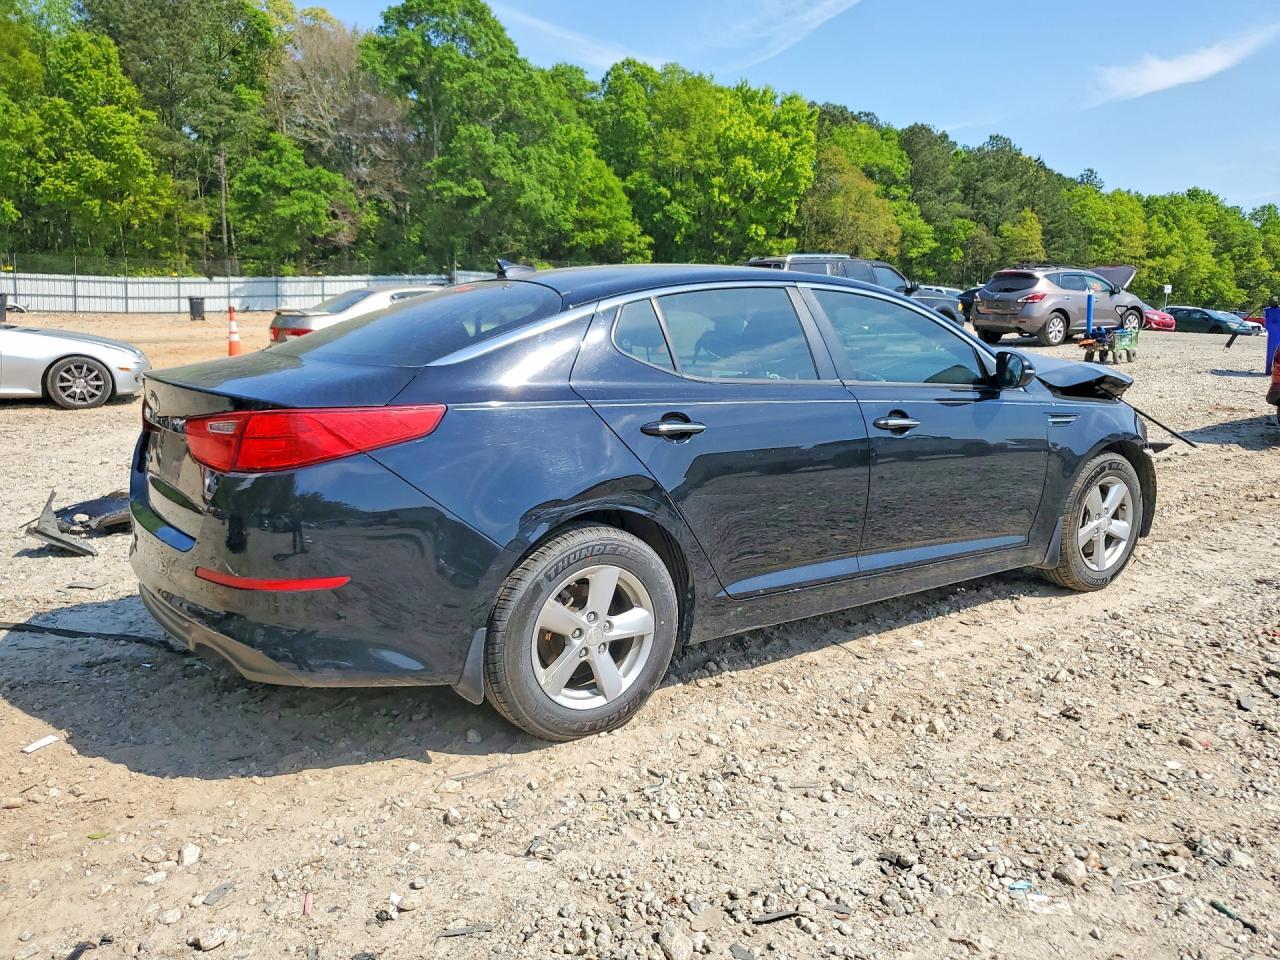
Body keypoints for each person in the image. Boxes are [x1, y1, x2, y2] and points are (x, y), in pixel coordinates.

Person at [1267, 297, 1280, 376]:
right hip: (1274, 333)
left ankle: (1268, 370)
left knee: (1271, 352)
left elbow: (1267, 323)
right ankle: (1270, 370)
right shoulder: (1269, 310)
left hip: (1272, 333)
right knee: (1273, 352)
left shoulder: (1268, 310)